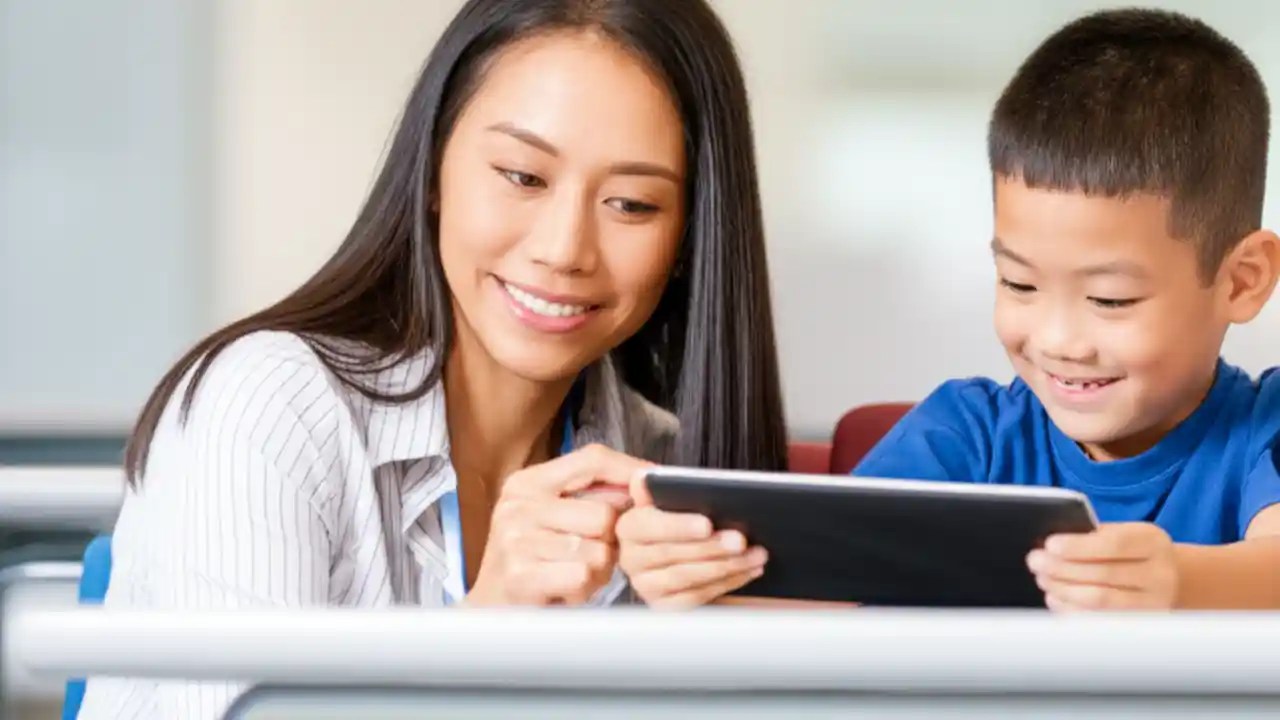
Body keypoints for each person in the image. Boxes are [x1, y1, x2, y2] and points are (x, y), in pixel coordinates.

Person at [79, 0, 786, 716]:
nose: (564, 249)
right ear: (433, 173)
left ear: (691, 241)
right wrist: (487, 627)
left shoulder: (669, 475)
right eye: (522, 176)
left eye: (632, 204)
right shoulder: (265, 408)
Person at [620, 8, 1280, 612]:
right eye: (1019, 284)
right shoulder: (966, 437)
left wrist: (1182, 583)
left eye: (1110, 300)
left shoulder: (1261, 430)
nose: (1057, 340)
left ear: (1242, 281)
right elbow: (822, 598)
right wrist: (688, 579)